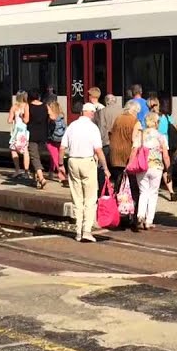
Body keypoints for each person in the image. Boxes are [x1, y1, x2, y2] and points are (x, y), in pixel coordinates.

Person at [60, 103, 110, 243]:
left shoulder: (72, 126)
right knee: (90, 198)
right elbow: (99, 150)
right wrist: (105, 168)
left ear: (82, 112)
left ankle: (77, 231)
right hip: (87, 162)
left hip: (73, 161)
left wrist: (60, 165)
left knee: (77, 198)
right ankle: (86, 231)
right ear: (92, 114)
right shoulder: (93, 128)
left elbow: (62, 148)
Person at [132, 111, 171, 230]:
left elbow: (134, 151)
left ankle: (140, 215)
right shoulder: (161, 136)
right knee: (153, 193)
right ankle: (149, 221)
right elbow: (165, 155)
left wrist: (130, 165)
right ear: (155, 122)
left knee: (143, 191)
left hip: (142, 167)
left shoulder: (141, 135)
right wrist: (168, 169)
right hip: (157, 167)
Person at [108, 101, 142, 228]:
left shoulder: (118, 118)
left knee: (119, 187)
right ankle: (129, 216)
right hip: (127, 158)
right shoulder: (135, 122)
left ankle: (118, 213)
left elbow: (111, 134)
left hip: (115, 156)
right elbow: (135, 141)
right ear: (134, 111)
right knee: (132, 189)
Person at [147, 95, 175, 199]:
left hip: (153, 143)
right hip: (165, 144)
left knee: (153, 166)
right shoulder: (167, 116)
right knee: (165, 168)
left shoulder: (149, 117)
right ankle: (171, 191)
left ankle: (151, 188)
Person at [24, 90, 50, 189]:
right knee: (36, 156)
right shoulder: (45, 106)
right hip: (43, 134)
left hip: (32, 135)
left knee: (34, 157)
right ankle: (35, 180)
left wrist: (21, 117)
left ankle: (41, 178)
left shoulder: (28, 106)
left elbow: (26, 120)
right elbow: (51, 116)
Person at [8, 92, 29, 176]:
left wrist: (14, 118)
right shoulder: (26, 106)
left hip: (15, 131)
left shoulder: (14, 107)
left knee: (13, 149)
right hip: (23, 131)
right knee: (25, 151)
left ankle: (17, 170)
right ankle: (26, 172)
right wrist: (22, 116)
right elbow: (26, 120)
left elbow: (9, 120)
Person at [46, 99, 67, 183]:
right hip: (61, 140)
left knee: (55, 158)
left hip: (51, 140)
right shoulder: (61, 116)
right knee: (55, 156)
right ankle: (51, 172)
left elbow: (49, 130)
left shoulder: (50, 119)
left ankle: (61, 175)